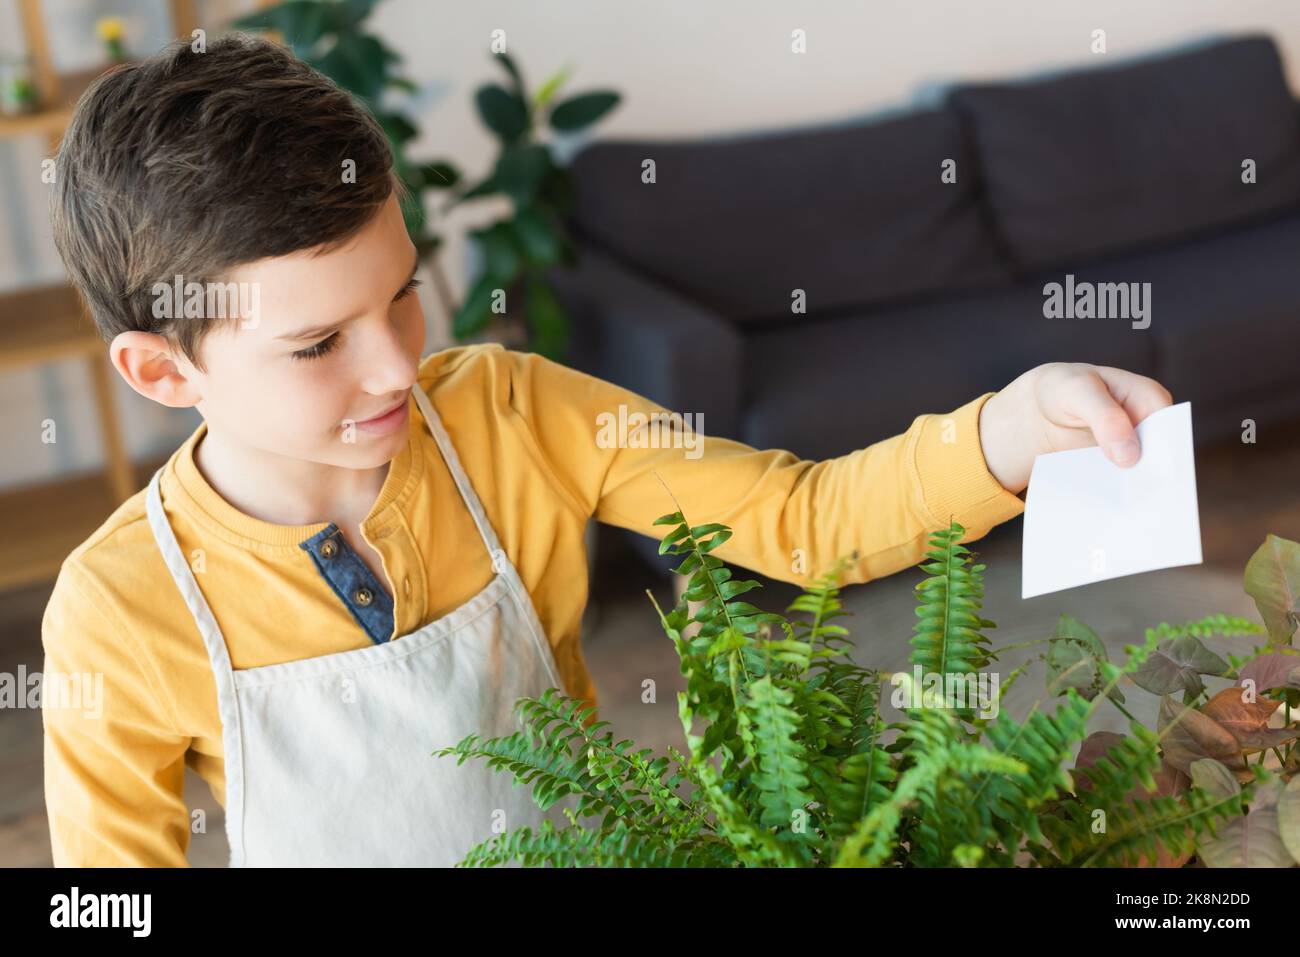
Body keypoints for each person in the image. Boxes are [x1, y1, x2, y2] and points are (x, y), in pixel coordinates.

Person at [41, 33, 1171, 867]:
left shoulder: (510, 412)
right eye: (319, 343)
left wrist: (1010, 431)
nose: (395, 367)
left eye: (402, 296)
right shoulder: (118, 610)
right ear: (162, 371)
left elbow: (806, 519)